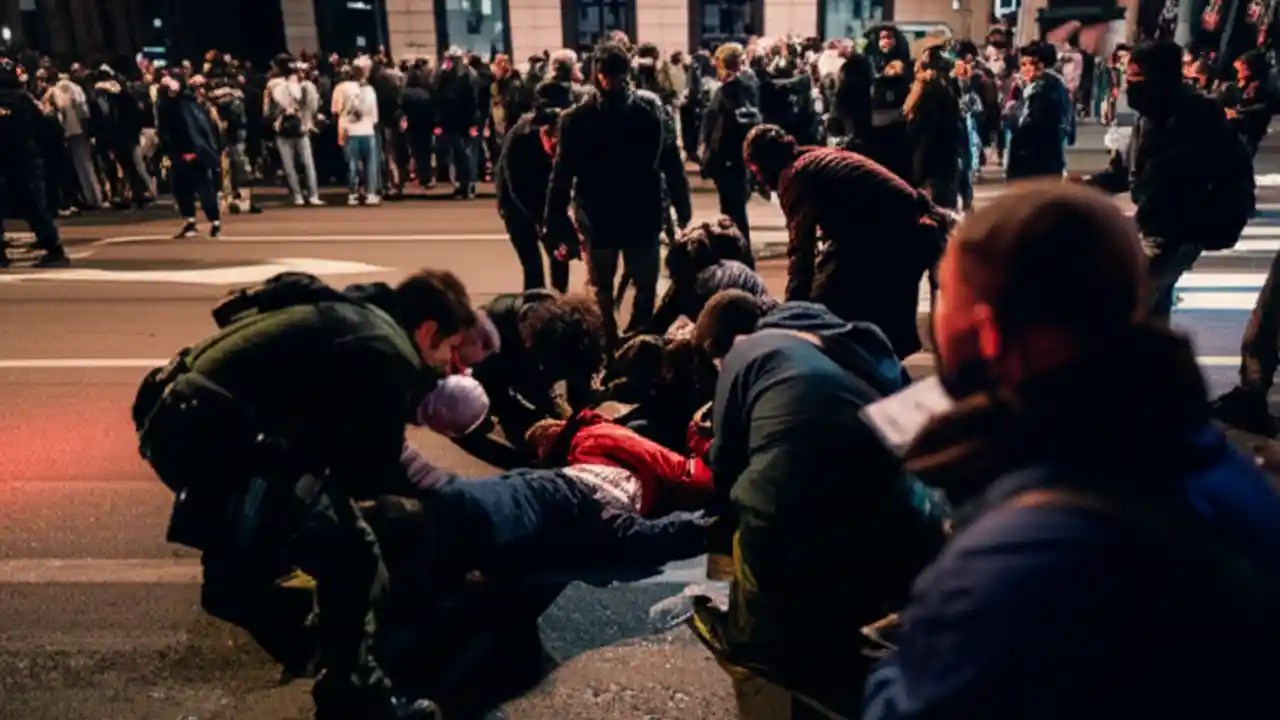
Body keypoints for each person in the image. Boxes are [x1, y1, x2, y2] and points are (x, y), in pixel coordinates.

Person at [863, 182, 1280, 720]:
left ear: (987, 335)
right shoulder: (1215, 466)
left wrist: (899, 656)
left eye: (944, 298)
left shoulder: (1015, 563)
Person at [132, 269, 477, 720]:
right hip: (205, 436)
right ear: (428, 331)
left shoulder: (357, 313)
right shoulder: (388, 351)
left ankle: (254, 578)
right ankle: (354, 697)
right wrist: (435, 506)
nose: (449, 364)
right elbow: (369, 473)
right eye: (450, 349)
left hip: (177, 411)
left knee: (315, 504)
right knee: (354, 552)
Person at [692, 299, 948, 717]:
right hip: (901, 521)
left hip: (784, 520)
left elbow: (725, 468)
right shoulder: (861, 348)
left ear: (722, 345)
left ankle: (760, 643)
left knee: (752, 518)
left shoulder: (743, 352)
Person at [743, 123, 948, 359]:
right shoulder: (811, 159)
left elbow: (801, 251)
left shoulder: (796, 176)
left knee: (832, 304)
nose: (758, 179)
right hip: (904, 232)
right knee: (879, 318)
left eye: (756, 171)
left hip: (893, 237)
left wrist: (790, 315)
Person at [1086, 40, 1255, 322]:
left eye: (1137, 77)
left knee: (1130, 303)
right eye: (1128, 77)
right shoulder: (1149, 117)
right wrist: (1087, 185)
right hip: (1156, 225)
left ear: (1159, 77)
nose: (1130, 85)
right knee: (1151, 307)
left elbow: (1217, 173)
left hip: (1178, 229)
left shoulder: (1194, 118)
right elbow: (1129, 173)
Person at [545, 42, 693, 347]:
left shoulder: (577, 117)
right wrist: (682, 209)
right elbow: (671, 165)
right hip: (638, 212)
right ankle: (634, 341)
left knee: (604, 287)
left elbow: (561, 175)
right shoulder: (650, 111)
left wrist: (555, 220)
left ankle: (612, 341)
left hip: (603, 214)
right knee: (640, 285)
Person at [456, 292, 607, 469]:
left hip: (529, 366)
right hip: (493, 376)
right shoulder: (491, 331)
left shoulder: (573, 334)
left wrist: (580, 423)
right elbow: (492, 384)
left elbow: (579, 386)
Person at [525, 409, 715, 517]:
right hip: (689, 472)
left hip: (683, 490)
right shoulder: (594, 428)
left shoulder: (582, 450)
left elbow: (628, 490)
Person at [495, 89, 570, 292]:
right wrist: (541, 220)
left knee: (559, 256)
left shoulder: (568, 130)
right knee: (532, 264)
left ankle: (559, 299)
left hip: (548, 202)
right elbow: (515, 186)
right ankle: (535, 302)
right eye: (551, 134)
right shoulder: (521, 137)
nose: (555, 140)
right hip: (517, 206)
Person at [0, 57, 70, 268]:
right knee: (32, 206)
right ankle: (53, 246)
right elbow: (47, 128)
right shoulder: (24, 99)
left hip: (17, 158)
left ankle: (50, 247)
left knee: (29, 205)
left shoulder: (21, 100)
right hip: (25, 158)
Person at [648, 217, 770, 336]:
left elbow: (661, 320)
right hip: (758, 322)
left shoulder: (692, 283)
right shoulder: (736, 268)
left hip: (743, 325)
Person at [700, 42, 761, 259]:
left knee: (734, 210)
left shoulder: (732, 90)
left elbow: (721, 129)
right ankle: (737, 251)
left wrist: (710, 157)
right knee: (734, 209)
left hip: (729, 159)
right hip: (736, 158)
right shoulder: (746, 87)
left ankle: (739, 254)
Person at [156, 71, 223, 240]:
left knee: (192, 188)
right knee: (191, 187)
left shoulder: (174, 107)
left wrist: (188, 151)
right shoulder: (191, 104)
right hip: (192, 151)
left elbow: (182, 131)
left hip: (186, 152)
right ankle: (206, 222)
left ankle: (203, 221)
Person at [1006, 41, 1071, 179]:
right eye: (1023, 65)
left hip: (1043, 157)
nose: (1027, 69)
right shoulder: (1021, 87)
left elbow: (1058, 119)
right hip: (1022, 158)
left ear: (1041, 66)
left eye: (1033, 64)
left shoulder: (1051, 88)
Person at [266, 55, 325, 206]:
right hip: (295, 129)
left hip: (291, 129)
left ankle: (304, 195)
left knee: (296, 165)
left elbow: (268, 110)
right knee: (301, 164)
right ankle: (307, 195)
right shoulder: (301, 86)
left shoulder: (278, 86)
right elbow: (313, 107)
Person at [436, 47, 481, 199]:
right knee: (458, 155)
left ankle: (468, 184)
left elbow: (472, 101)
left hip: (464, 121)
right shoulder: (448, 77)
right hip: (453, 122)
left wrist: (473, 122)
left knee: (466, 154)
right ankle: (462, 184)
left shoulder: (467, 76)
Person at [334, 62, 381, 206]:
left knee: (352, 164)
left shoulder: (342, 88)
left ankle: (353, 194)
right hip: (368, 130)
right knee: (370, 165)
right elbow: (375, 116)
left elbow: (336, 110)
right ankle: (370, 194)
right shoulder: (371, 90)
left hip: (350, 131)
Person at [1223, 49, 1273, 157]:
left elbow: (1262, 108)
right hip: (1236, 128)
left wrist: (1238, 112)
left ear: (1249, 70)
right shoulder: (1233, 88)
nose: (1237, 73)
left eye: (1240, 70)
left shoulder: (1259, 89)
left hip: (1249, 128)